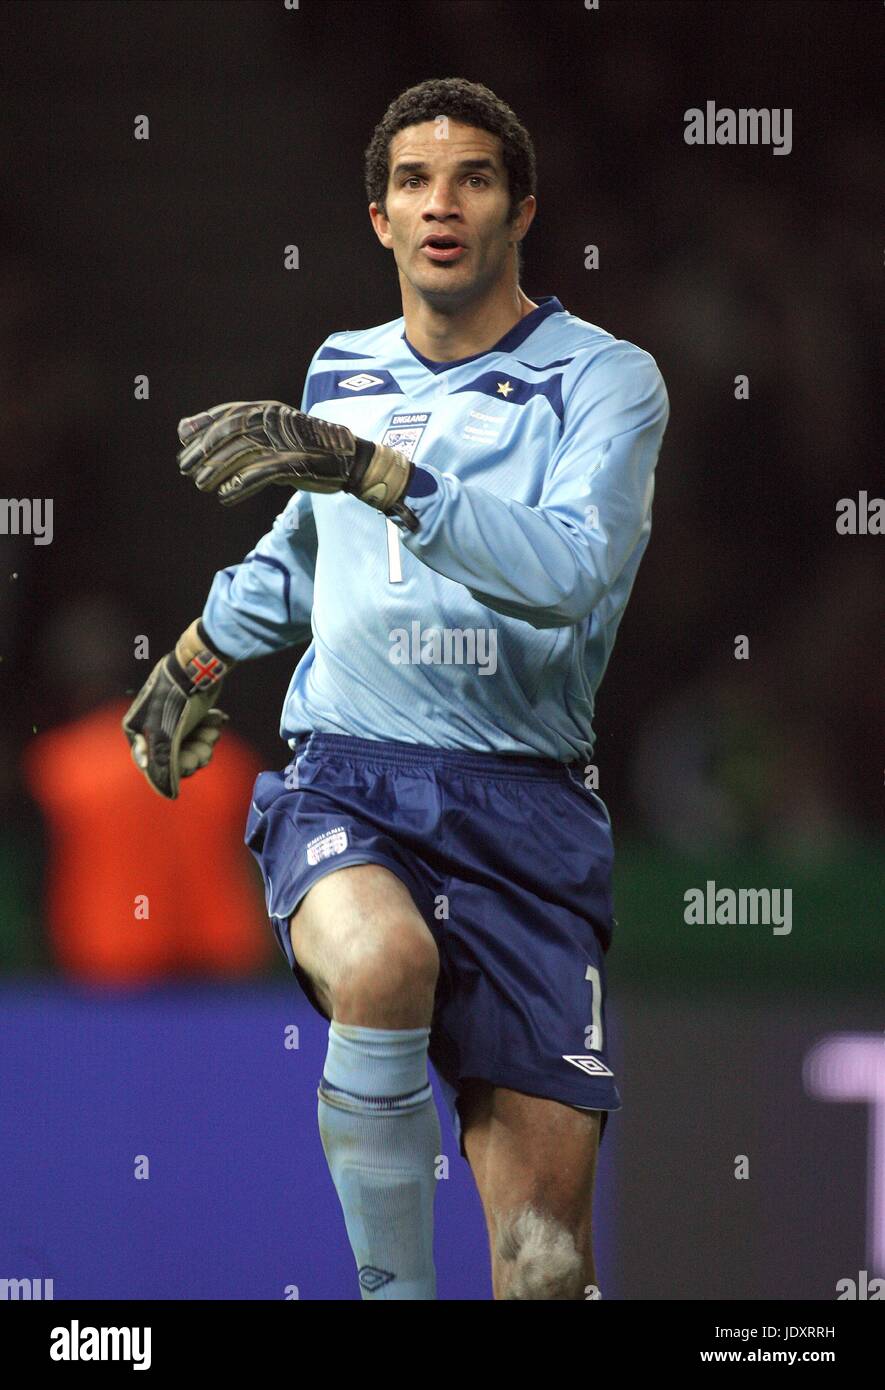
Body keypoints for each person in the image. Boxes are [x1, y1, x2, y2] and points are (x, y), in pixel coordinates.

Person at [123, 77, 669, 1299]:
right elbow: (302, 552)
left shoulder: (608, 382)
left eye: (473, 178)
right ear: (379, 218)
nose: (442, 204)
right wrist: (196, 659)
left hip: (526, 814)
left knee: (544, 1269)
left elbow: (574, 573)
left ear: (520, 209)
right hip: (352, 782)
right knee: (378, 963)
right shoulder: (341, 368)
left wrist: (384, 473)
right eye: (414, 182)